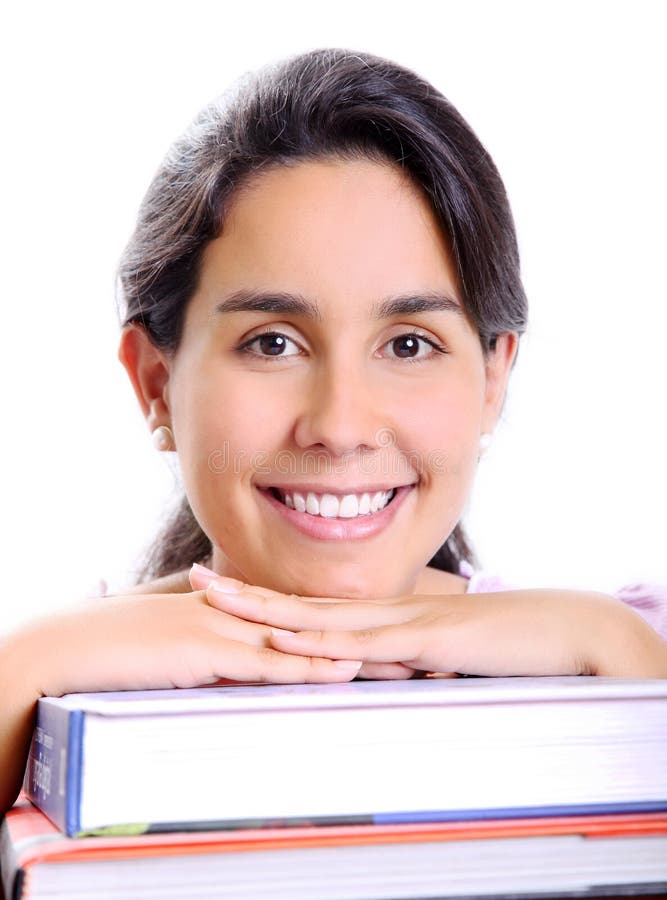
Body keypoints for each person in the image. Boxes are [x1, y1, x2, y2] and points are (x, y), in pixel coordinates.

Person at [1, 47, 666, 817]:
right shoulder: (53, 684)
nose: (341, 428)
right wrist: (23, 668)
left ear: (492, 382)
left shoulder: (622, 651)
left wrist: (618, 647)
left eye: (408, 344)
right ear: (156, 382)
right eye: (271, 343)